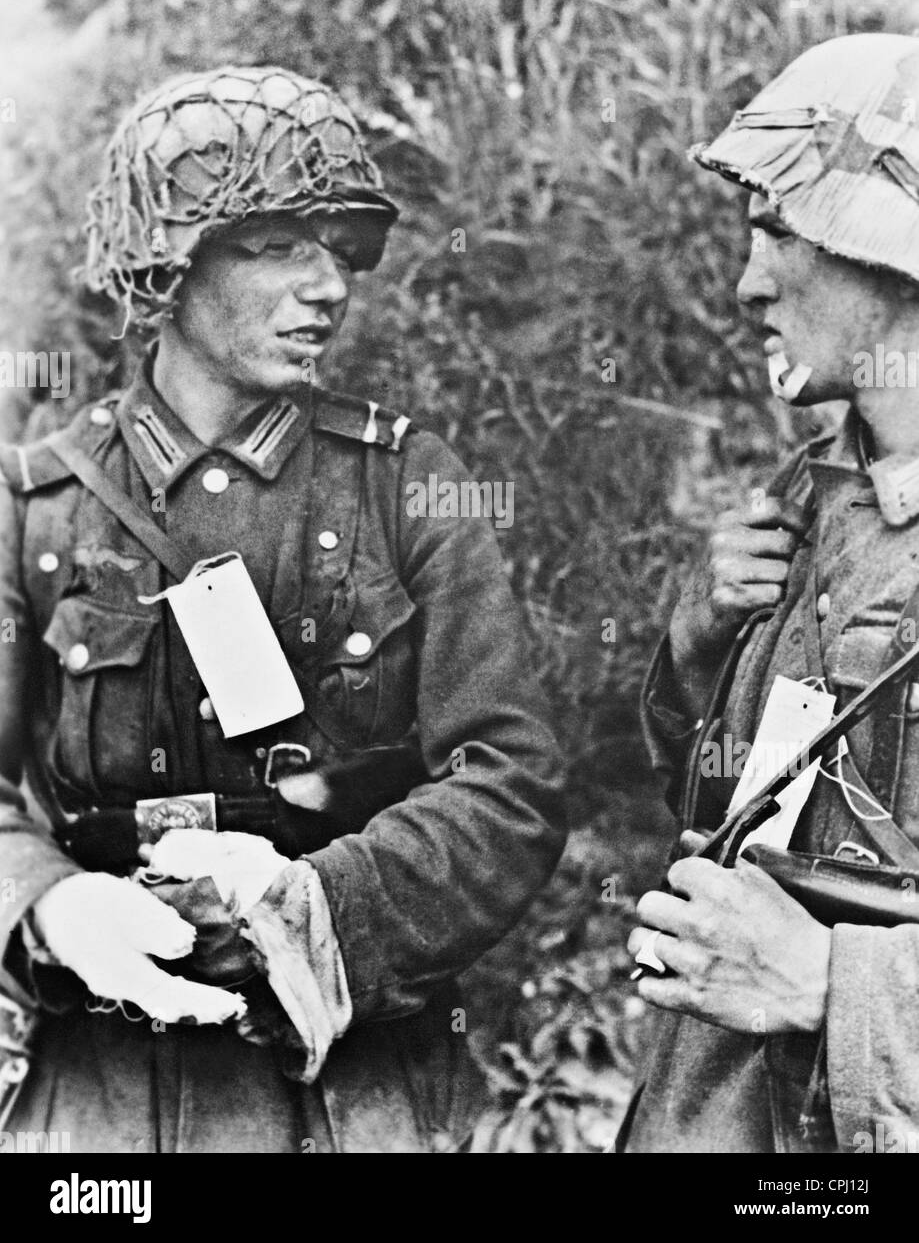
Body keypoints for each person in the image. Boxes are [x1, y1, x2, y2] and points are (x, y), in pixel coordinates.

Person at [0, 67, 566, 1153]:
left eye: (339, 250)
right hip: (107, 1099)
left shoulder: (406, 488)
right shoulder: (38, 509)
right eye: (276, 244)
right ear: (169, 265)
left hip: (349, 1086)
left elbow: (512, 784)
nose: (329, 288)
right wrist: (52, 907)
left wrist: (314, 906)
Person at [622, 33, 919, 1152]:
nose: (750, 285)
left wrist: (836, 985)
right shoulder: (806, 495)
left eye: (777, 235)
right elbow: (719, 809)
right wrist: (700, 648)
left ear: (886, 252)